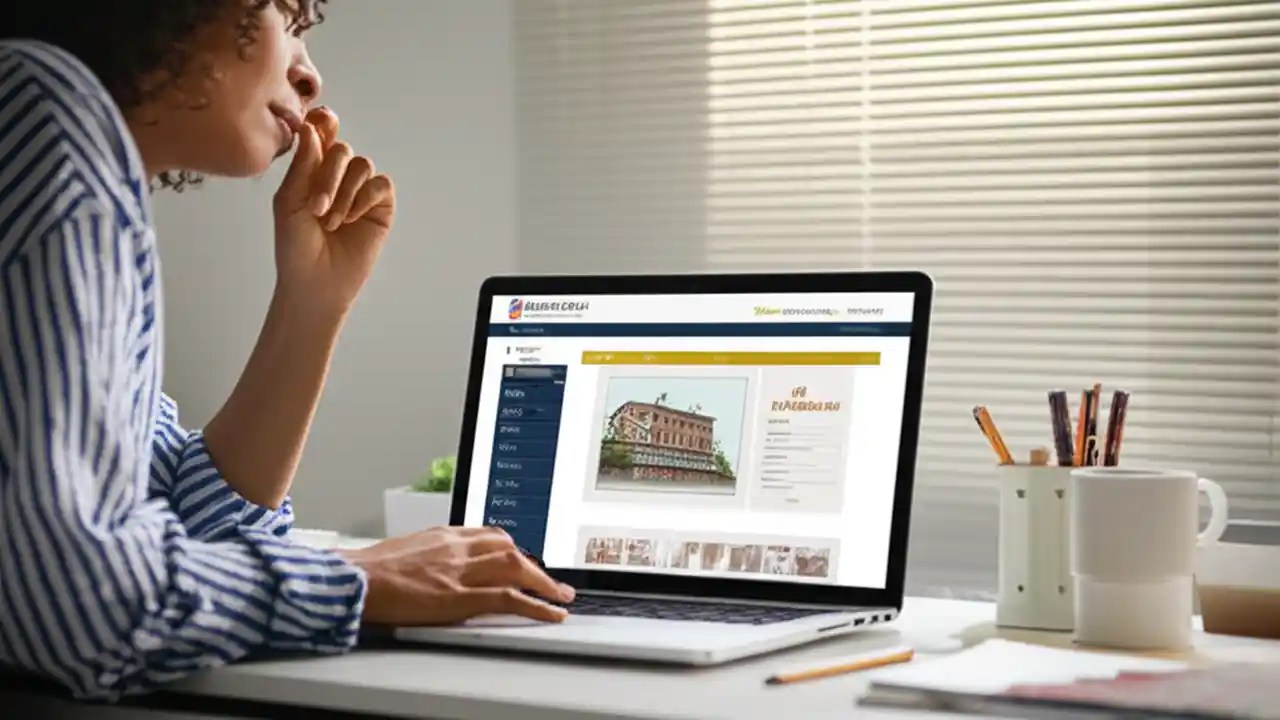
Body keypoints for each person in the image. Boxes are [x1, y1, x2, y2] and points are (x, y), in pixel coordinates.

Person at [0, 0, 574, 702]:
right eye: (287, 19)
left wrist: (311, 305)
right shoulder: (47, 125)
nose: (310, 76)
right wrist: (361, 581)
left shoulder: (52, 135)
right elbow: (75, 607)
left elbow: (186, 529)